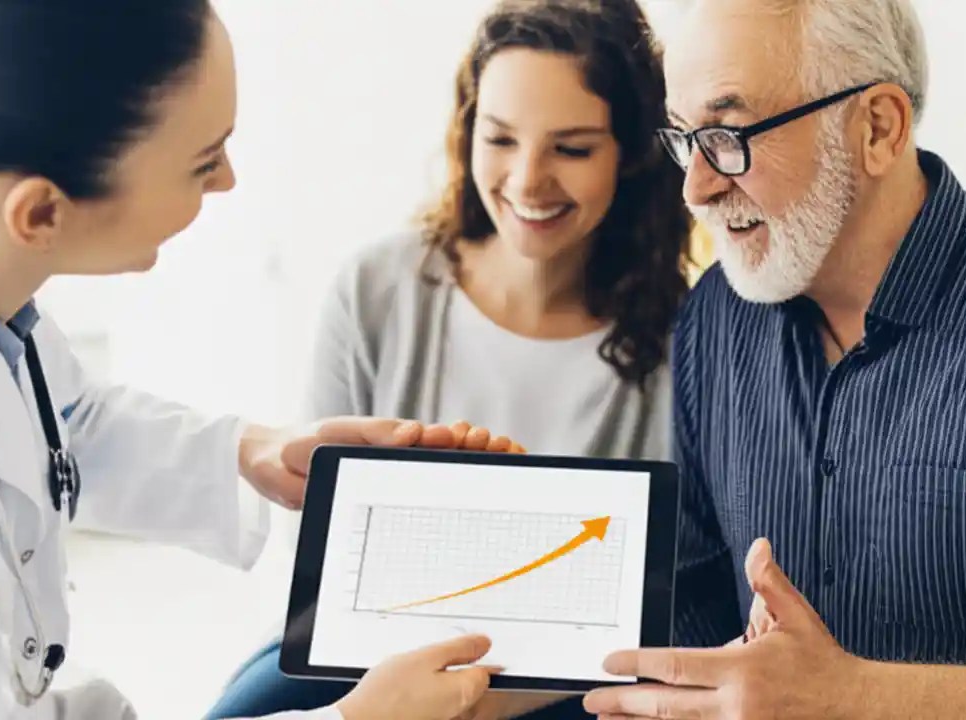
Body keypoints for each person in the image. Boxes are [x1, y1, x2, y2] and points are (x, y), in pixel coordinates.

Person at [0, 2, 514, 718]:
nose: (227, 181)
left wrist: (259, 451)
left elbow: (62, 421)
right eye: (202, 160)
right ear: (41, 214)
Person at [579, 0, 966, 718]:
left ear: (879, 128)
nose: (696, 187)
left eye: (729, 136)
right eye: (685, 138)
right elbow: (696, 596)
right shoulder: (716, 316)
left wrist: (853, 697)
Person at [205, 0, 691, 717]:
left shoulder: (691, 337)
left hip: (573, 687)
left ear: (633, 153)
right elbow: (309, 540)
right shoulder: (377, 290)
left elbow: (668, 596)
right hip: (371, 665)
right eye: (499, 139)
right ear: (467, 132)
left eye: (574, 148)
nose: (528, 181)